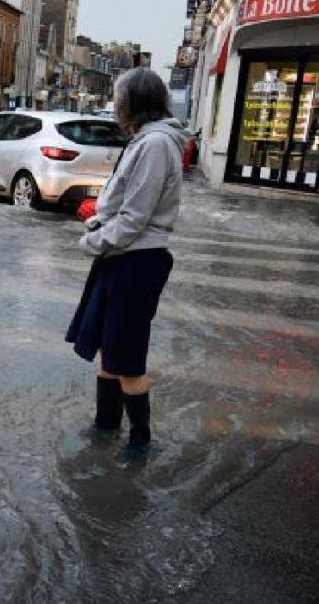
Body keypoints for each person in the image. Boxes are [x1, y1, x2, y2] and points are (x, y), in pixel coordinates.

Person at [65, 67, 186, 458]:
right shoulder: (144, 140)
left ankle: (140, 442)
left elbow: (135, 218)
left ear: (135, 101)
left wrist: (91, 241)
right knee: (107, 348)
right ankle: (105, 429)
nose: (114, 104)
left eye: (119, 97)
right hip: (120, 258)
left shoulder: (156, 144)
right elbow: (122, 207)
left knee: (127, 360)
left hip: (136, 262)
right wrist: (98, 221)